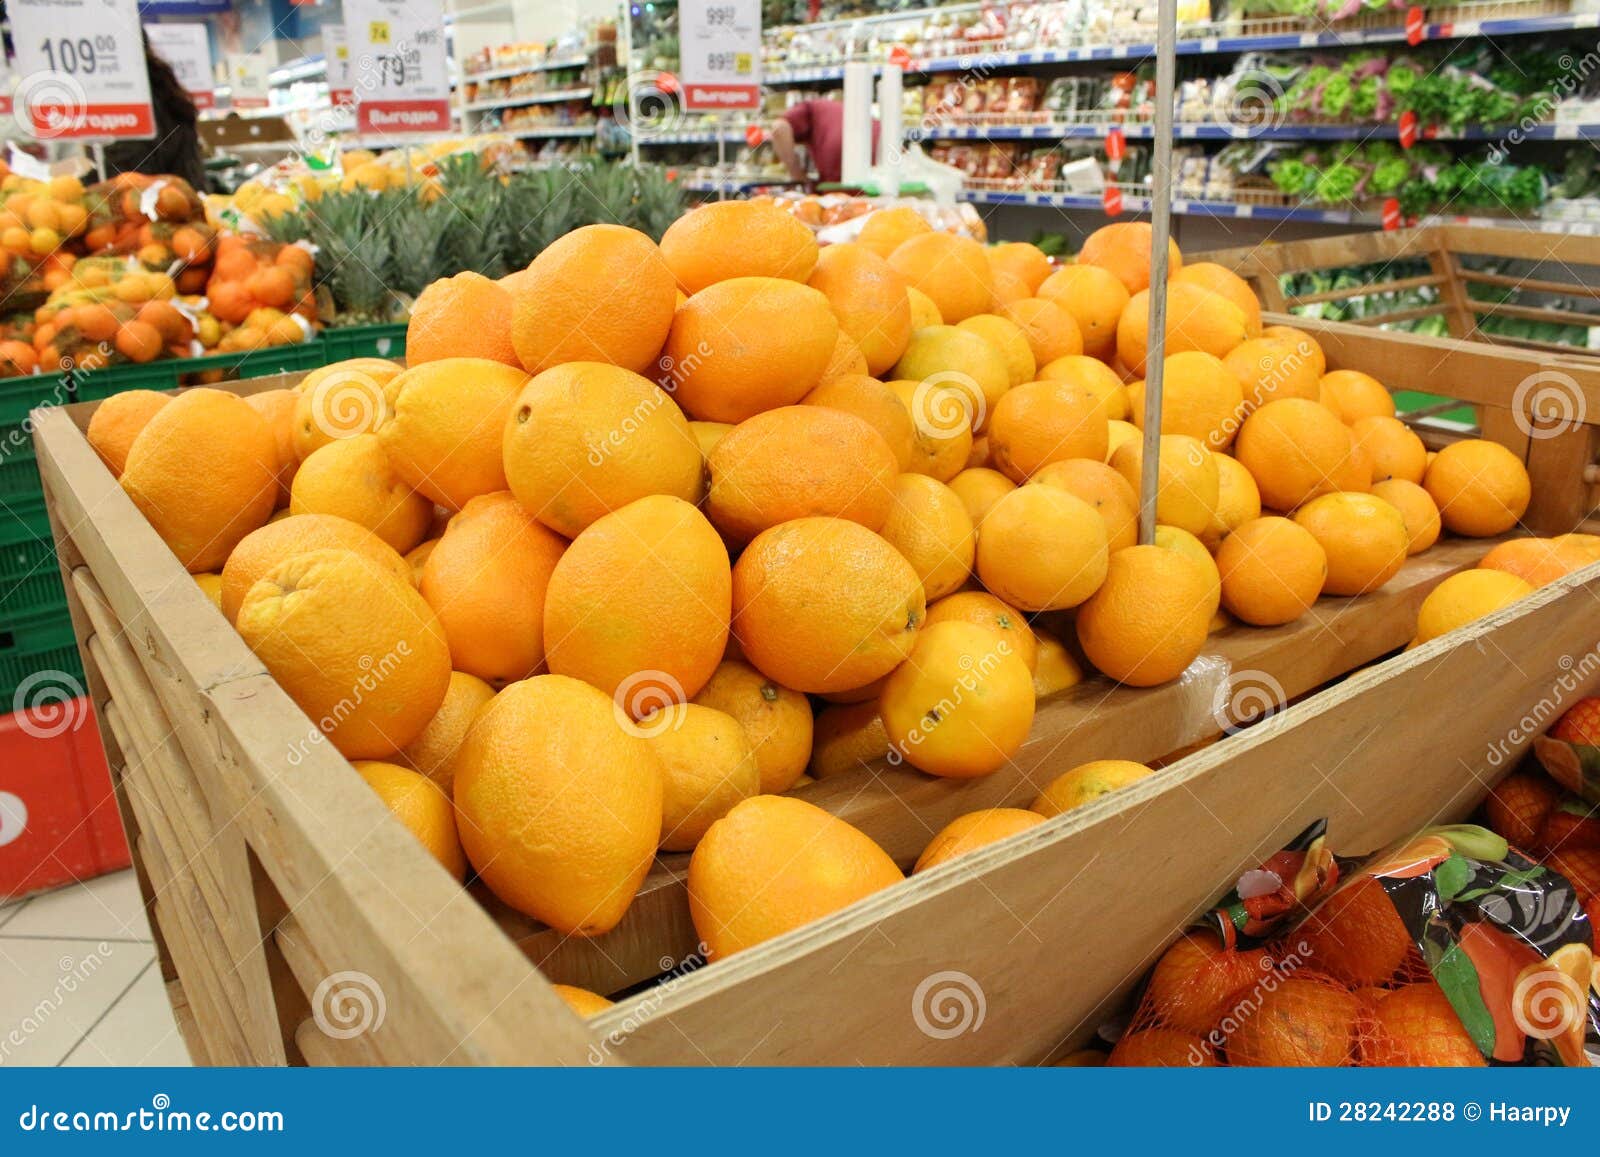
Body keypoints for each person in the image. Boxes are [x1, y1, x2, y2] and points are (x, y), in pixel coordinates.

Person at [103, 36, 208, 191]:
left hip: (161, 205)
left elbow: (130, 178)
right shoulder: (165, 90)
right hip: (186, 198)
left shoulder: (133, 101)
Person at [771, 96, 878, 187]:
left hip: (841, 150)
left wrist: (797, 175)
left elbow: (779, 128)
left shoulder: (807, 108)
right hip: (879, 149)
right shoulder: (834, 109)